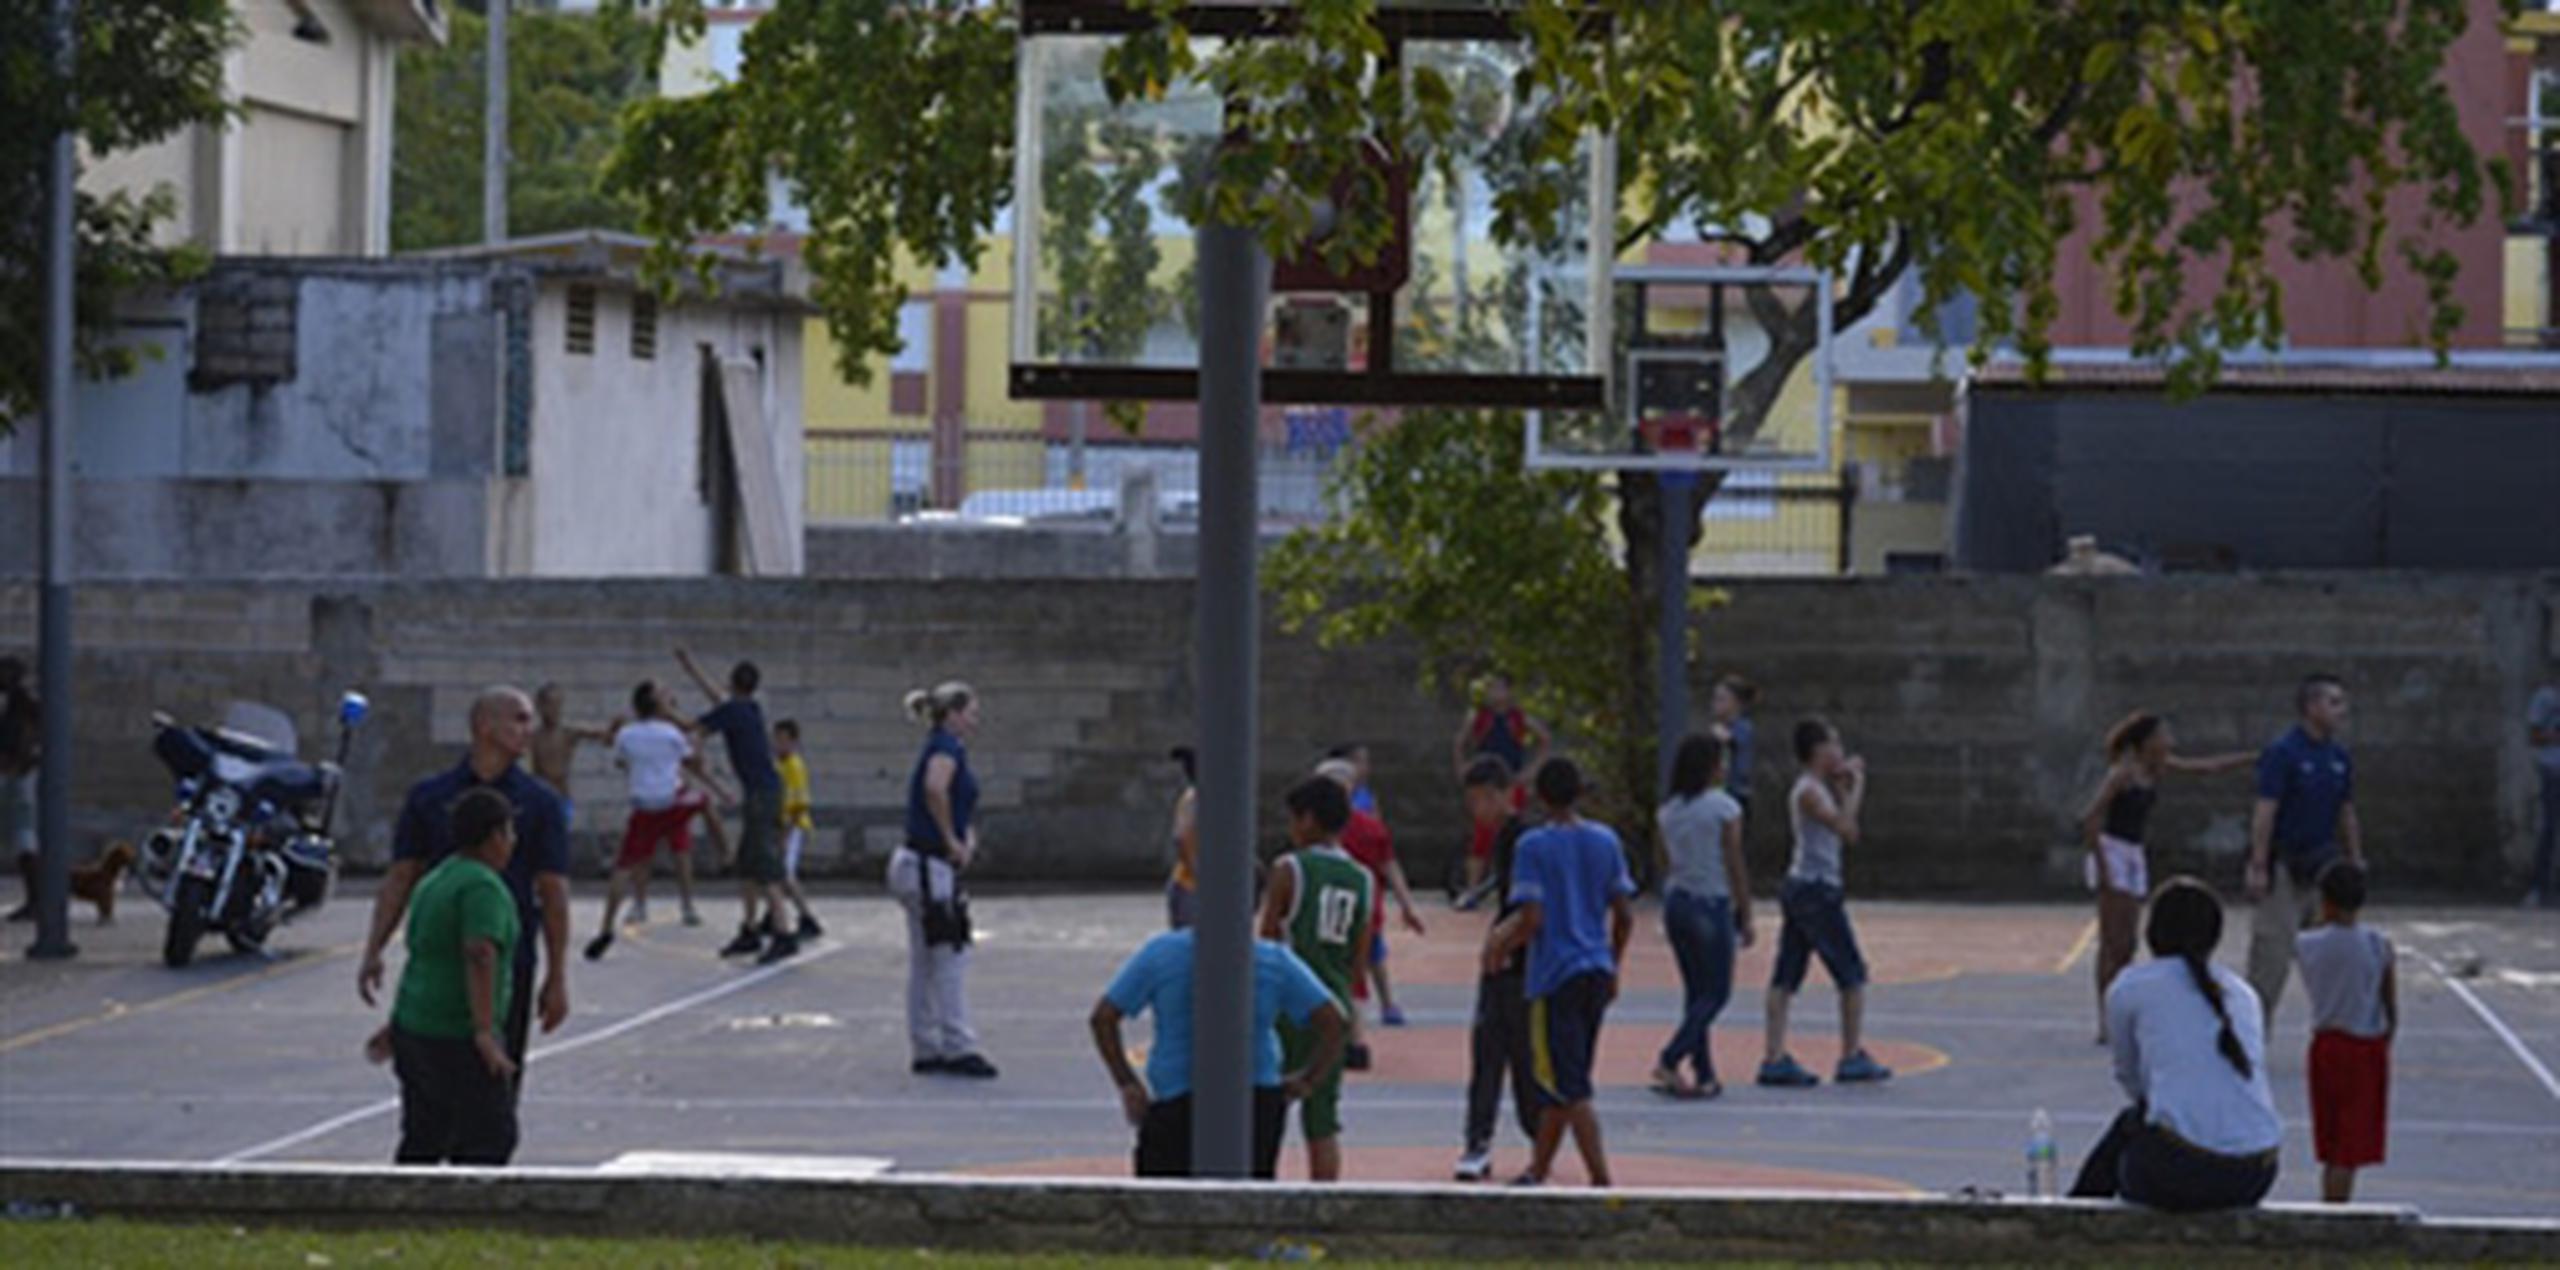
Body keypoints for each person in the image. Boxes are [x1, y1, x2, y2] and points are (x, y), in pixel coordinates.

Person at [359, 687, 571, 1097]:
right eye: (519, 719)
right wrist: (374, 949)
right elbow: (401, 876)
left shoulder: (540, 803)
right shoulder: (431, 796)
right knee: (429, 1092)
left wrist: (557, 975)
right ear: (484, 726)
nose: (529, 730)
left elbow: (553, 891)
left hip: (507, 966)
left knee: (494, 1092)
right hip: (439, 963)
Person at [2070, 877, 2282, 1212]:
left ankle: (2073, 1218)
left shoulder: (2131, 987)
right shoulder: (2242, 993)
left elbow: (2133, 1081)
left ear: (2153, 932)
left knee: (2129, 1126)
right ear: (2214, 937)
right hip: (2257, 1169)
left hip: (2181, 1168)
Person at [1088, 922, 1348, 1180]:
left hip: (1179, 1096)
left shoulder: (1162, 953)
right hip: (1256, 1098)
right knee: (1249, 1199)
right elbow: (1335, 1022)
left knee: (1164, 1199)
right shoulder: (1272, 960)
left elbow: (1103, 1017)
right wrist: (1307, 1080)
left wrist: (1127, 1082)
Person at [1486, 757, 1635, 1188]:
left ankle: (1600, 1177)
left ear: (1539, 796)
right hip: (1595, 967)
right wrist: (1614, 962)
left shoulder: (1532, 847)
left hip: (1554, 974)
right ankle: (1538, 1167)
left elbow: (1532, 917)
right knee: (1559, 1078)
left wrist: (1500, 945)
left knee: (1569, 1084)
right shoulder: (1606, 841)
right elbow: (1623, 914)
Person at [365, 787, 523, 1166]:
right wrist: (484, 1032)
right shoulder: (481, 887)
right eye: (509, 832)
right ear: (494, 837)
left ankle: (408, 1212)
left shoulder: (436, 880)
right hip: (456, 1033)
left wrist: (396, 1021)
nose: (513, 842)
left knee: (425, 1131)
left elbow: (425, 956)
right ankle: (471, 1214)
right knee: (490, 1135)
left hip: (416, 1027)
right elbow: (479, 955)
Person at [2078, 712, 2252, 1043]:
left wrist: (2249, 759)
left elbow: (2205, 768)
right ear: (2147, 741)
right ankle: (2106, 1018)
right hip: (2113, 850)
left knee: (2128, 944)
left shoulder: (2155, 768)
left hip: (2133, 853)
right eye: (2163, 735)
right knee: (2113, 942)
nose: (2169, 740)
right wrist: (2102, 865)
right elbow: (2090, 818)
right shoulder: (2122, 774)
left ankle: (2119, 1013)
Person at [1758, 718, 1892, 1088]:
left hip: (1807, 886)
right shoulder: (1809, 791)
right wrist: (1856, 787)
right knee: (1850, 973)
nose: (1839, 751)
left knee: (1788, 971)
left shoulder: (1818, 788)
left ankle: (1774, 1054)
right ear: (1817, 751)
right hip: (1815, 890)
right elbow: (1848, 830)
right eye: (1834, 744)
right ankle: (1849, 1054)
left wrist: (1842, 786)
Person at [1257, 775, 1374, 1182]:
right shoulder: (1363, 878)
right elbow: (1359, 958)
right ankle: (1324, 1206)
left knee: (1264, 1104)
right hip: (1334, 1002)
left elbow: (1267, 940)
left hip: (1289, 1004)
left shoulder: (1289, 868)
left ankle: (1256, 1192)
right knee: (1322, 1119)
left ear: (1307, 819)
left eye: (1292, 818)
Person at [2247, 673, 2363, 1031]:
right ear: (2311, 707)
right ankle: (2251, 1033)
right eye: (2333, 702)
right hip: (2285, 866)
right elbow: (2265, 811)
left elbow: (2346, 811)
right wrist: (2259, 865)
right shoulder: (2284, 753)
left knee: (2334, 953)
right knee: (2272, 956)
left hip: (2323, 866)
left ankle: (2337, 1029)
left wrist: (2355, 859)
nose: (2341, 711)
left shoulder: (2339, 758)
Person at [895, 681, 996, 1078]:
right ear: (952, 714)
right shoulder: (946, 748)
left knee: (926, 960)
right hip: (928, 866)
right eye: (970, 711)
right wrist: (951, 838)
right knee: (949, 957)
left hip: (919, 863)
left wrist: (961, 834)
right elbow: (935, 789)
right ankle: (957, 1044)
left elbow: (947, 797)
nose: (975, 719)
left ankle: (926, 1043)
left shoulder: (946, 746)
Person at [674, 647, 797, 965]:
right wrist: (691, 668)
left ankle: (783, 933)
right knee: (746, 865)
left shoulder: (734, 711)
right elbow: (717, 699)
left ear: (733, 682)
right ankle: (750, 929)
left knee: (765, 865)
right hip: (765, 792)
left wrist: (672, 722)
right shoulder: (748, 708)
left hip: (761, 794)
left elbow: (695, 728)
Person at [1652, 734, 1754, 1100]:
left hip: (1677, 900)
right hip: (1710, 902)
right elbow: (1734, 861)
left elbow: (1664, 862)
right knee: (1717, 992)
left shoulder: (1668, 811)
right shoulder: (1724, 808)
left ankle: (1705, 1071)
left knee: (1696, 992)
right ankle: (1670, 1056)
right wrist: (1746, 909)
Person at [585, 681, 716, 959]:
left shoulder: (627, 735)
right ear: (659, 706)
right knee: (703, 805)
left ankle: (607, 924)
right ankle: (725, 852)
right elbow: (694, 763)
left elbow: (621, 761)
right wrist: (697, 746)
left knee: (625, 864)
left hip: (644, 805)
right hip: (670, 801)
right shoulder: (672, 733)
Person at [1454, 756, 1539, 1183]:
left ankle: (1532, 1136)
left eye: (1478, 801)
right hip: (1512, 960)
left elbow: (1526, 907)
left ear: (1500, 795)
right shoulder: (1509, 837)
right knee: (1496, 1052)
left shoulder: (1522, 839)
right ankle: (1481, 1140)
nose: (1476, 811)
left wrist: (1501, 944)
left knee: (1511, 1053)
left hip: (1515, 963)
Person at [2296, 860, 2395, 1203]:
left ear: (2325, 901)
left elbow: (2304, 933)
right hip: (2364, 1047)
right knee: (2349, 1151)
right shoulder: (2378, 945)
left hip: (2325, 1045)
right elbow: (2390, 1006)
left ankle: (2329, 1202)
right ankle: (2337, 1209)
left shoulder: (2307, 945)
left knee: (2331, 1142)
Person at [1321, 758, 1426, 1034]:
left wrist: (1406, 904)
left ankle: (1370, 1015)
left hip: (1349, 909)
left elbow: (1389, 864)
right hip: (1353, 909)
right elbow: (1390, 865)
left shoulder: (1357, 829)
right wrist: (1407, 905)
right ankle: (1380, 1009)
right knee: (1366, 961)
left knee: (1367, 960)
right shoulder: (1361, 827)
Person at [1453, 674, 1550, 900]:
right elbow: (1459, 742)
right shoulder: (1479, 717)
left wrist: (1530, 772)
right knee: (1481, 837)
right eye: (1491, 689)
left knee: (1514, 830)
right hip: (1485, 780)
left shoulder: (1518, 718)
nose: (1494, 693)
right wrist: (1462, 768)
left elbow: (1544, 739)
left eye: (1498, 688)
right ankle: (1472, 889)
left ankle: (1516, 882)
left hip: (1509, 782)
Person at [528, 683, 612, 871]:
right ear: (539, 706)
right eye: (549, 704)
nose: (553, 710)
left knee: (558, 839)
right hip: (539, 795)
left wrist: (614, 728)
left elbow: (604, 737)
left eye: (557, 705)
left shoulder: (568, 733)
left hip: (561, 795)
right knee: (537, 840)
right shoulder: (533, 736)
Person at [772, 719, 823, 940]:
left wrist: (786, 835)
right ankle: (771, 916)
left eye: (783, 740)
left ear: (793, 742)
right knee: (775, 875)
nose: (778, 744)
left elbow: (799, 804)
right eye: (776, 739)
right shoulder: (778, 764)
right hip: (779, 826)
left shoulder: (794, 766)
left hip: (793, 826)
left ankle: (807, 918)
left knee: (786, 875)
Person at [1, 656, 37, 922]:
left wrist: (18, 764)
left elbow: (27, 742)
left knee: (25, 839)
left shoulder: (23, 706)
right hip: (15, 774)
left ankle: (36, 899)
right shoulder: (12, 704)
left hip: (22, 777)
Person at [2528, 679, 2560, 908]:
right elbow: (2534, 736)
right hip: (2553, 769)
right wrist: (2554, 736)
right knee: (2549, 829)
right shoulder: (2545, 697)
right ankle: (2539, 888)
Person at [1708, 675, 1759, 814]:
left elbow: (1732, 741)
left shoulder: (1743, 727)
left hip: (1737, 792)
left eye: (1722, 699)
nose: (1716, 704)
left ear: (1736, 703)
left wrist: (1720, 735)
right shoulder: (1720, 727)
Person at [1165, 746, 1198, 930]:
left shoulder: (1196, 797)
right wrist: (1199, 875)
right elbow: (1183, 839)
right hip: (1190, 886)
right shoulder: (1194, 799)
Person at [1328, 742, 1382, 818]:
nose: (1366, 768)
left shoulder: (1366, 794)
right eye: (1360, 762)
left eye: (1366, 762)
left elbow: (1378, 825)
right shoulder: (1328, 797)